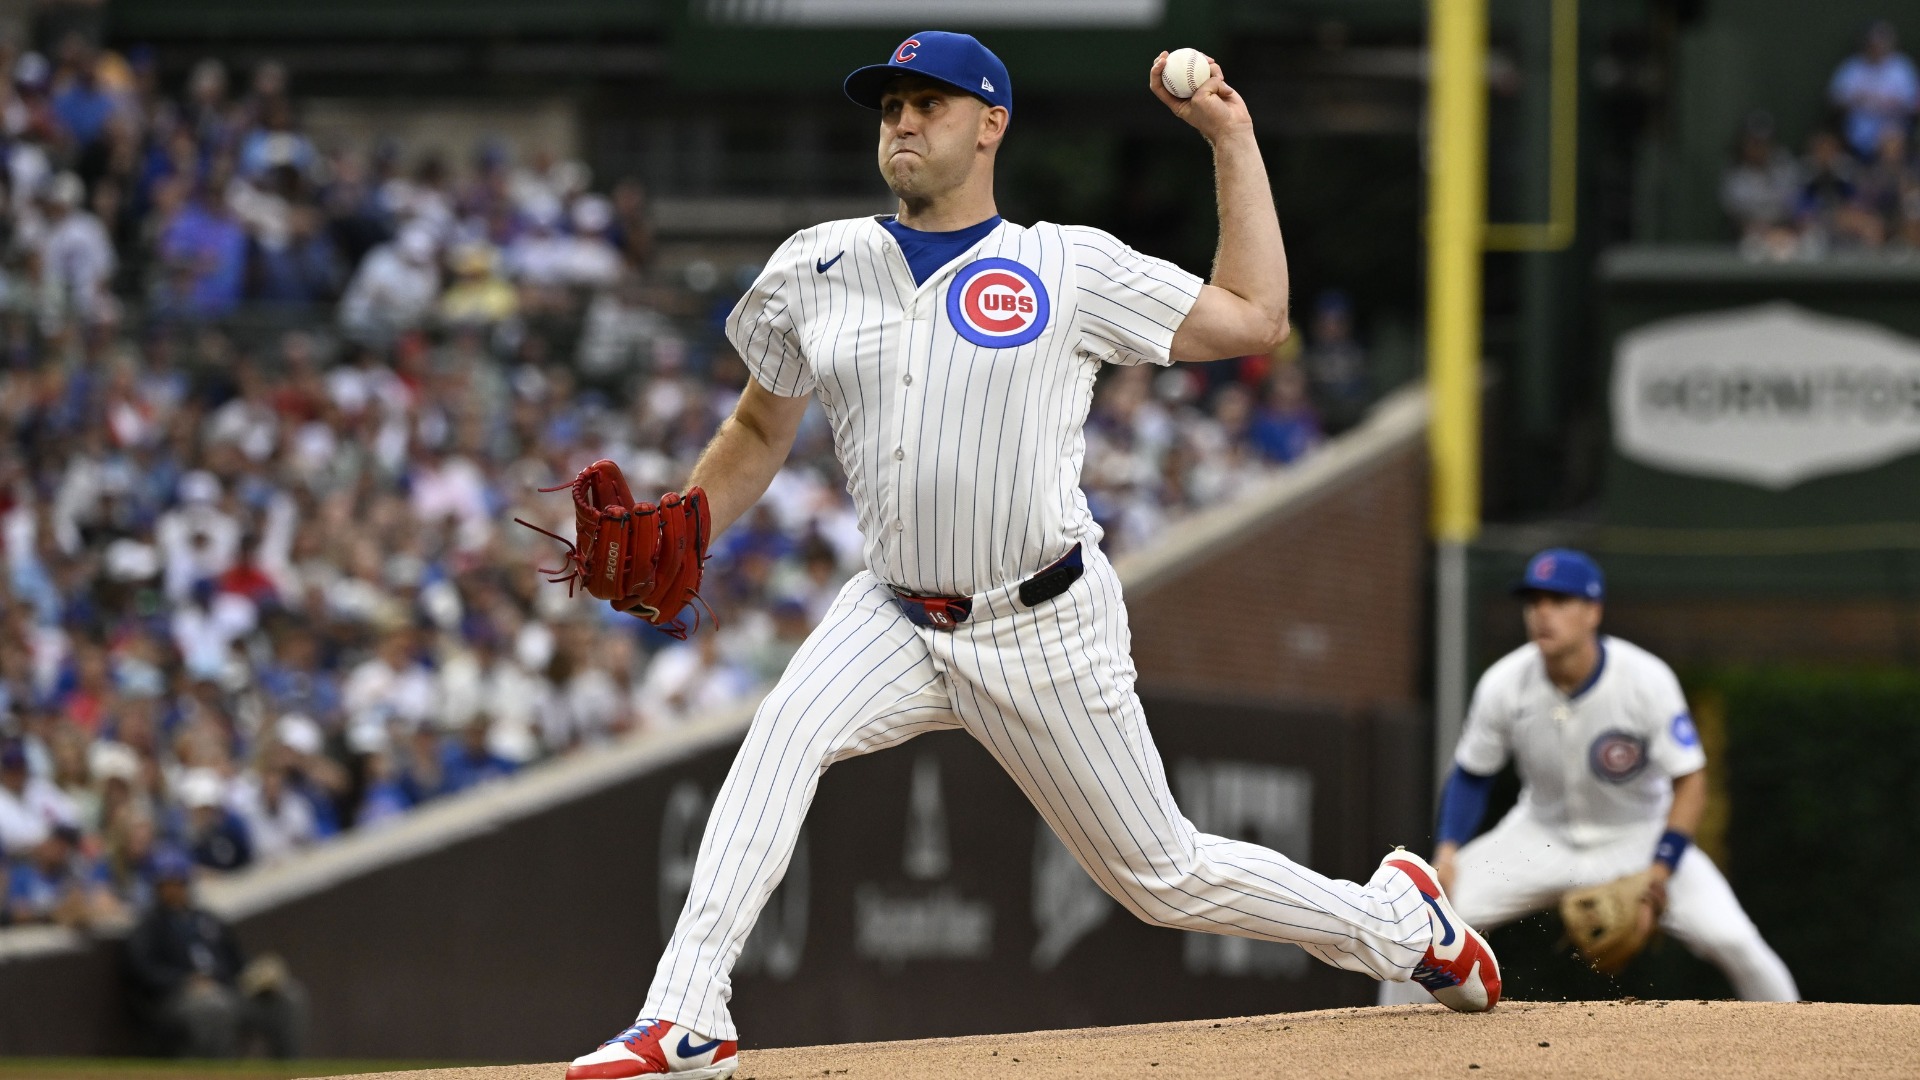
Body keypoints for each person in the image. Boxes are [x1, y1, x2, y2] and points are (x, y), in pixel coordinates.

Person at [563, 33, 1501, 1080]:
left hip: (1042, 619)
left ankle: (1399, 925)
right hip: (894, 612)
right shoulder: (814, 265)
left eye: (930, 103)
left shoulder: (1068, 265)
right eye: (890, 108)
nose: (904, 122)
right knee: (780, 734)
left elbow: (1257, 318)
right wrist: (690, 515)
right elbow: (757, 432)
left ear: (991, 123)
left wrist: (1231, 138)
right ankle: (687, 1012)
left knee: (1162, 878)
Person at [1379, 550, 1798, 1006]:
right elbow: (1472, 774)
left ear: (1593, 611)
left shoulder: (1644, 679)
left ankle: (1806, 1049)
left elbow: (1691, 782)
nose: (1542, 612)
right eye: (1534, 600)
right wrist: (1448, 851)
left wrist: (1658, 877)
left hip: (1638, 836)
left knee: (1736, 943)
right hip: (1539, 837)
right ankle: (1386, 1061)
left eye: (1559, 600)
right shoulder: (1505, 682)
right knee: (1425, 925)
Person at [123, 848, 307, 1058]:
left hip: (227, 990)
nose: (173, 890)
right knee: (215, 1007)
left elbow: (235, 959)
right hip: (178, 1001)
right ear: (156, 887)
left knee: (289, 996)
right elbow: (143, 970)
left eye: (178, 883)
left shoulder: (208, 919)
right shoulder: (149, 926)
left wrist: (258, 974)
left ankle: (290, 1072)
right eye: (167, 884)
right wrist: (185, 982)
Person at [1828, 20, 1918, 161]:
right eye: (1873, 42)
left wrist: (1894, 105)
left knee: (1892, 139)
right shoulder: (1852, 67)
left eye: (1882, 41)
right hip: (1856, 135)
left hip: (1893, 134)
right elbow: (1833, 100)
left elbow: (1914, 106)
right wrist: (1856, 100)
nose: (1877, 46)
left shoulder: (1901, 68)